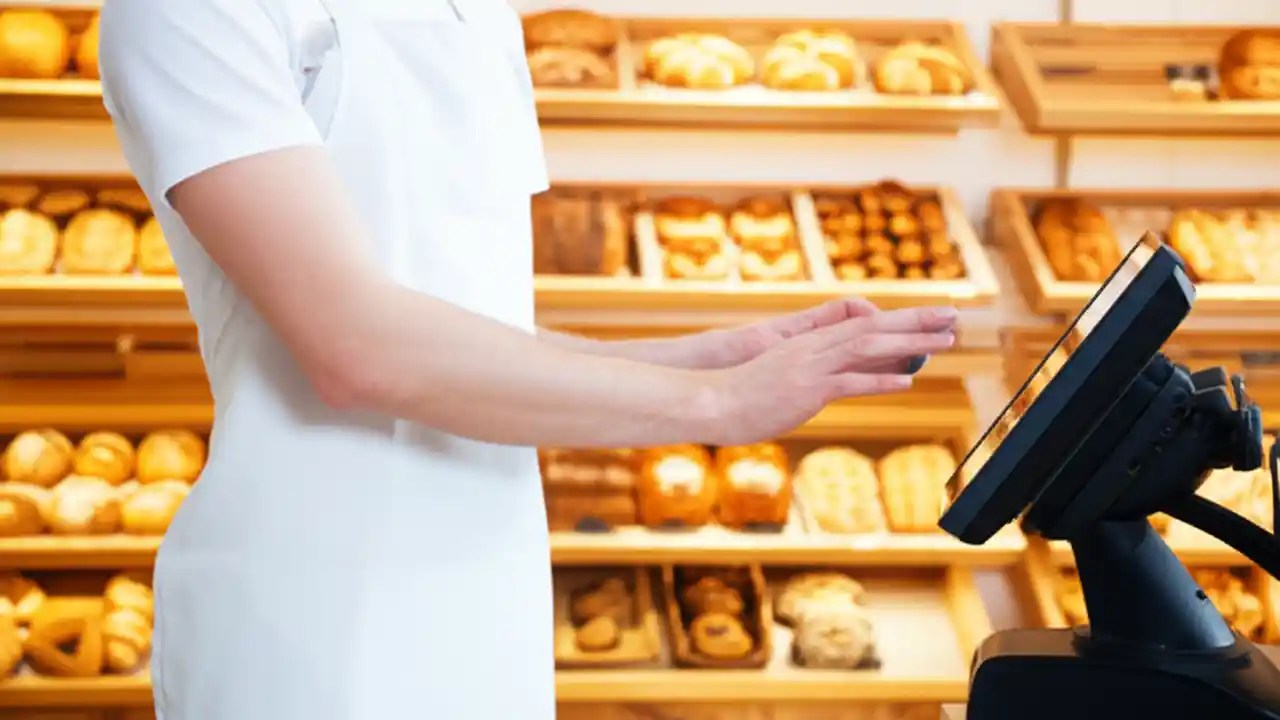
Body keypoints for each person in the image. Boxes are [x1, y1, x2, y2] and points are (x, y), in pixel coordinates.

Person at [97, 0, 958, 718]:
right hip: (313, 624)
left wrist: (696, 360)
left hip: (492, 593)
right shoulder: (191, 10)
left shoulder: (472, 12)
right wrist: (719, 407)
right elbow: (356, 348)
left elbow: (460, 325)